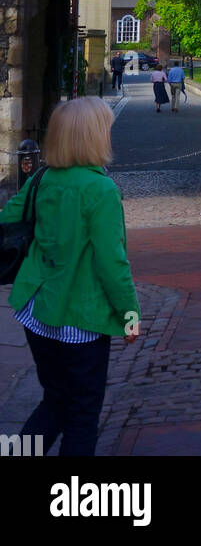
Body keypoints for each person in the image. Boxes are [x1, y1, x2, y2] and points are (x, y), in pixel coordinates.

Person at [0, 96, 140, 457]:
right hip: (81, 318)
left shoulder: (42, 178)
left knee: (55, 401)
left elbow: (8, 218)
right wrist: (129, 313)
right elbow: (113, 264)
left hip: (36, 309)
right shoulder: (101, 189)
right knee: (81, 415)